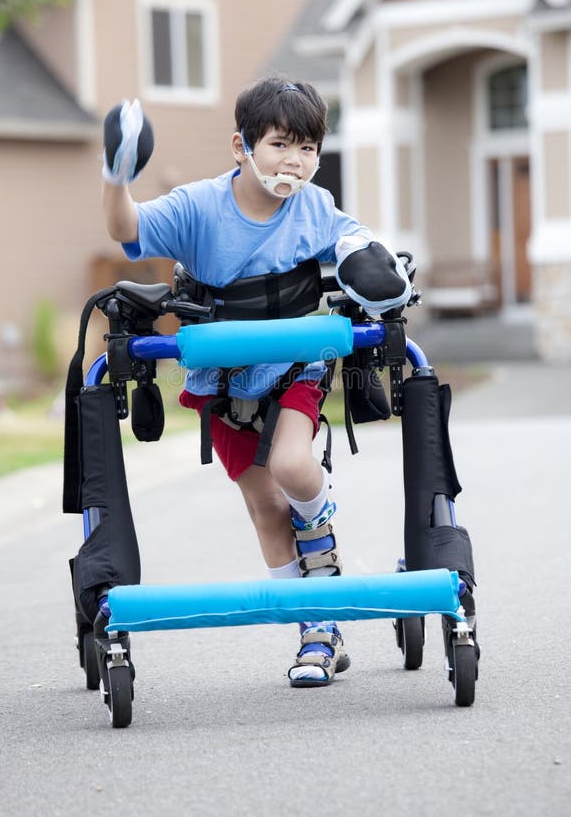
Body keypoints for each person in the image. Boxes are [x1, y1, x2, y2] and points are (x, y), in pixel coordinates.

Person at [102, 76, 412, 687]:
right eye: (279, 145)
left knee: (295, 468)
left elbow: (359, 245)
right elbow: (128, 230)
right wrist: (116, 178)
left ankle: (321, 567)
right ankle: (314, 631)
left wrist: (375, 267)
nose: (294, 162)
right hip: (223, 379)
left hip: (297, 364)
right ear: (241, 147)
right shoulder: (197, 208)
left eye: (308, 149)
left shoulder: (315, 208)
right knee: (267, 507)